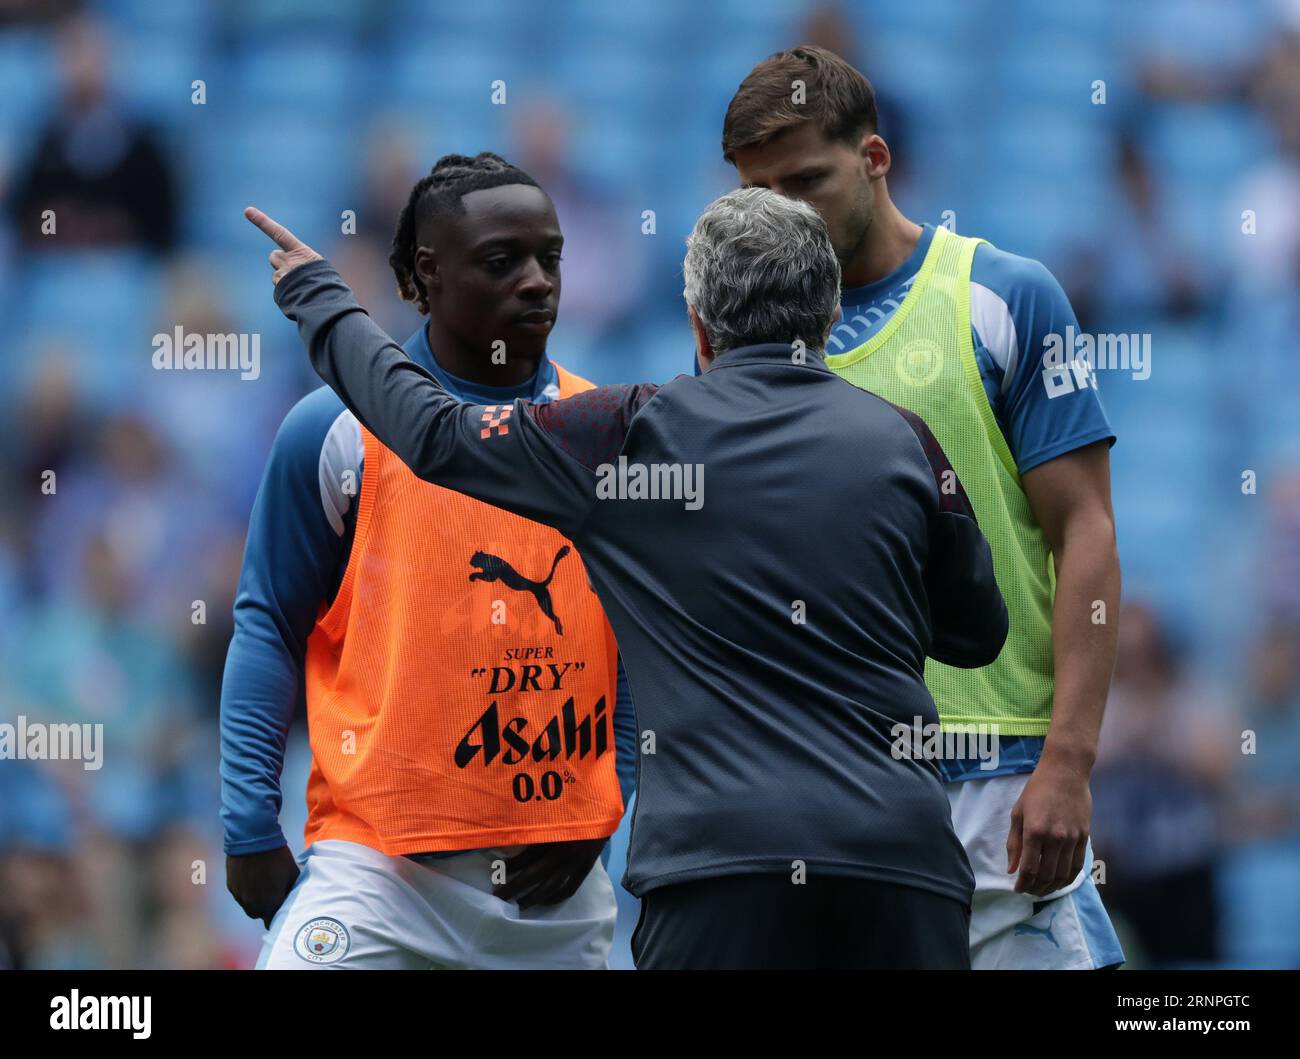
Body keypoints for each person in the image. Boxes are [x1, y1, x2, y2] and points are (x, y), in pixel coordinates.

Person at [245, 186, 1008, 969]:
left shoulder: (633, 433)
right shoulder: (905, 440)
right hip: (902, 866)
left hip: (720, 871)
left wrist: (322, 301)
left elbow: (434, 435)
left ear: (700, 327)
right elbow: (978, 633)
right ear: (827, 317)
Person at [719, 45, 1124, 969]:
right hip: (834, 791)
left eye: (807, 180)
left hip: (1001, 777)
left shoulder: (1003, 297)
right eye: (760, 193)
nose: (785, 214)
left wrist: (1069, 759)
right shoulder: (747, 343)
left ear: (875, 157)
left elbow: (1086, 532)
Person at [220, 153, 636, 970]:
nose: (537, 282)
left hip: (548, 895)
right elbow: (267, 621)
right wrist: (246, 823)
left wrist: (604, 806)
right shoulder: (331, 431)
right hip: (376, 873)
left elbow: (637, 642)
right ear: (426, 274)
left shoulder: (603, 430)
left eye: (550, 258)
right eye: (501, 261)